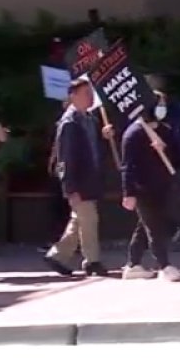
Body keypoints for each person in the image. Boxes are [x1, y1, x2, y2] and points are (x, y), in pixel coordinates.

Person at [43, 79, 114, 277]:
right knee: (89, 219)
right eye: (85, 93)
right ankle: (92, 261)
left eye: (90, 93)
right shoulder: (69, 123)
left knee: (79, 220)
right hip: (79, 182)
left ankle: (57, 256)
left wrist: (104, 136)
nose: (90, 97)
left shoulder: (89, 119)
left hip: (90, 179)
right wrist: (70, 188)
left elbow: (93, 149)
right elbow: (65, 158)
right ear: (73, 96)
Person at [119, 93, 180, 281]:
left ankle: (133, 264)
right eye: (159, 104)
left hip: (162, 187)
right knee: (154, 227)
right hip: (143, 189)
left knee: (148, 226)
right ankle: (164, 266)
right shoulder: (133, 133)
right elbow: (127, 167)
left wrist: (165, 149)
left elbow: (178, 157)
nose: (162, 108)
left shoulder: (165, 130)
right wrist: (128, 193)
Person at [143, 74, 180, 246]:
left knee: (162, 203)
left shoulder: (174, 110)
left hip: (170, 163)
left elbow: (179, 135)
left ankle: (166, 232)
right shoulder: (144, 110)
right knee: (153, 207)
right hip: (151, 166)